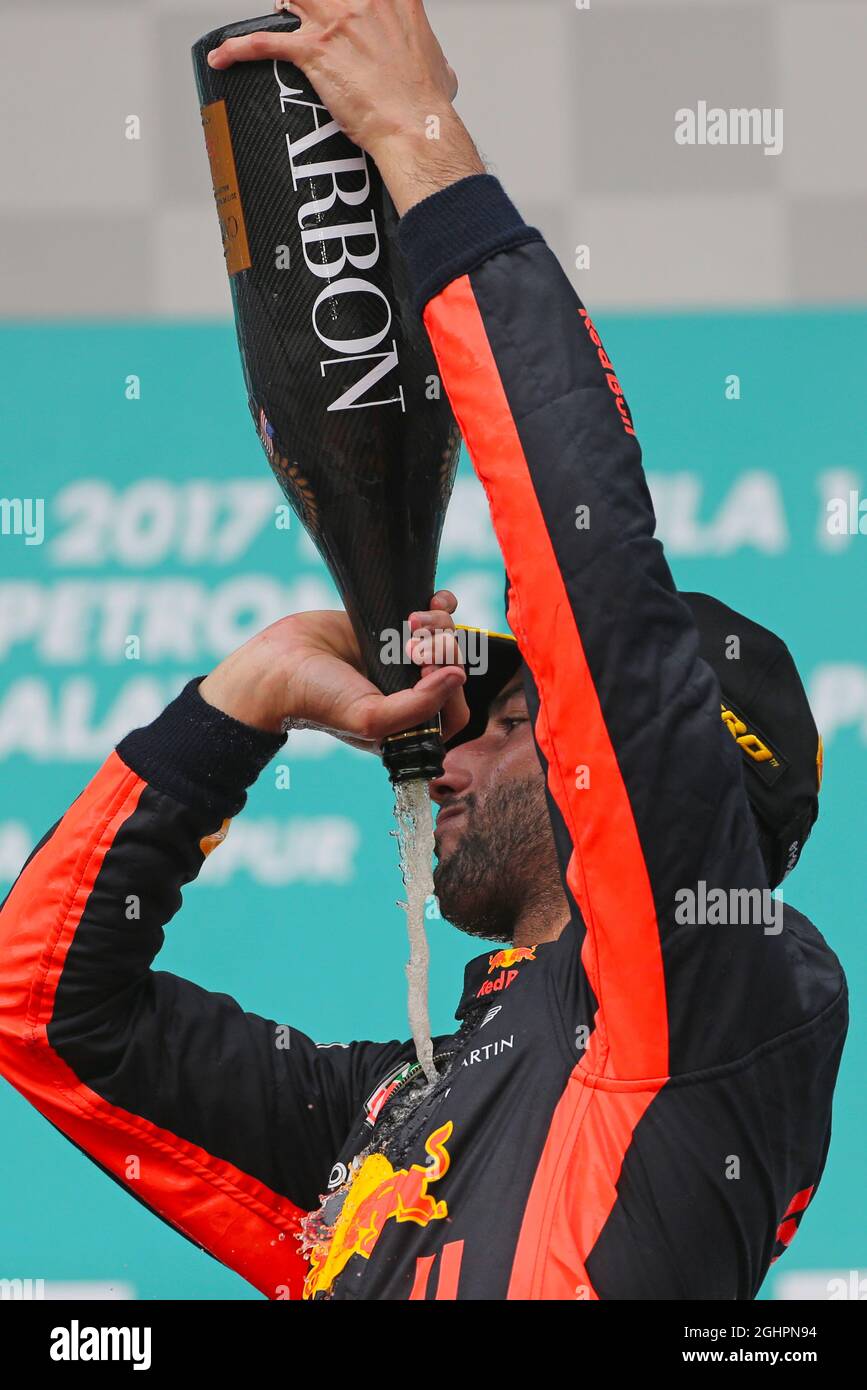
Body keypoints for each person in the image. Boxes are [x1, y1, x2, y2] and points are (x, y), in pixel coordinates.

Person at [0, 0, 846, 1301]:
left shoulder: (732, 991)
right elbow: (49, 1011)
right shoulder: (396, 1110)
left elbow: (603, 605)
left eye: (512, 712)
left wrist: (422, 141)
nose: (449, 736)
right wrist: (247, 696)